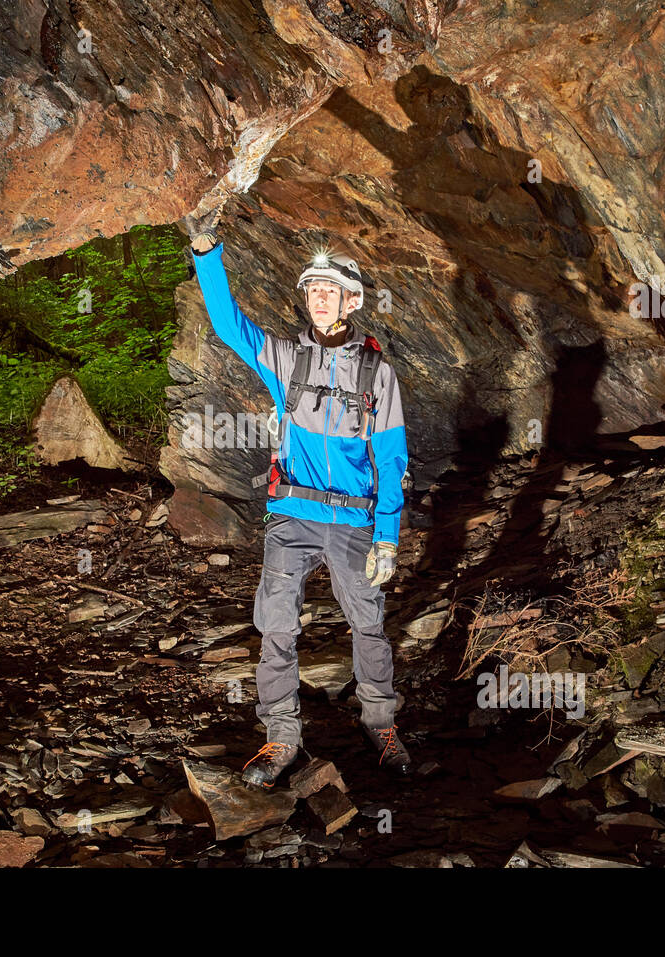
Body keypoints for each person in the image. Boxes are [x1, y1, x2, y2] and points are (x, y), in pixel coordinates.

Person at [181, 202, 414, 788]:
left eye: (330, 291)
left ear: (353, 301)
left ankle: (381, 725)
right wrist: (207, 251)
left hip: (356, 522)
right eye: (312, 290)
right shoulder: (286, 359)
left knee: (368, 624)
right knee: (277, 626)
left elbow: (391, 459)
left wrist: (386, 536)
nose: (318, 298)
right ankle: (281, 737)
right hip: (291, 516)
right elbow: (229, 324)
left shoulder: (375, 373)